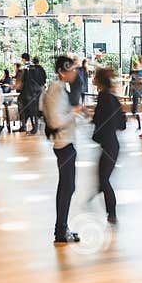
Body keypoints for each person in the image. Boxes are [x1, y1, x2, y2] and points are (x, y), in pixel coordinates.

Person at [42, 56, 83, 244]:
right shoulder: (55, 90)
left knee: (67, 187)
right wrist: (74, 112)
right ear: (62, 71)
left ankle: (62, 228)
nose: (75, 73)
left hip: (66, 142)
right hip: (63, 143)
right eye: (72, 69)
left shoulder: (59, 88)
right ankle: (60, 231)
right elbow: (55, 121)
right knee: (67, 188)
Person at [91, 66, 126, 224]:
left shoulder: (104, 97)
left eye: (95, 77)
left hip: (109, 145)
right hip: (111, 144)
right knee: (102, 177)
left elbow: (101, 119)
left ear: (100, 80)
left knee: (104, 178)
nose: (93, 79)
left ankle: (112, 214)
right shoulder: (110, 97)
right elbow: (121, 123)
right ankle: (99, 195)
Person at [19, 56, 47, 134]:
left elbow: (25, 80)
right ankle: (35, 127)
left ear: (33, 61)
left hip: (31, 92)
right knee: (36, 110)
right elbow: (44, 80)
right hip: (39, 91)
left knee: (31, 110)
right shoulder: (41, 69)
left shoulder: (30, 69)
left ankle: (32, 127)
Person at [128, 56, 142, 130]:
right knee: (135, 106)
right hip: (136, 89)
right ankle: (136, 114)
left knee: (136, 106)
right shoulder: (135, 71)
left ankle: (136, 113)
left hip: (139, 89)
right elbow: (132, 78)